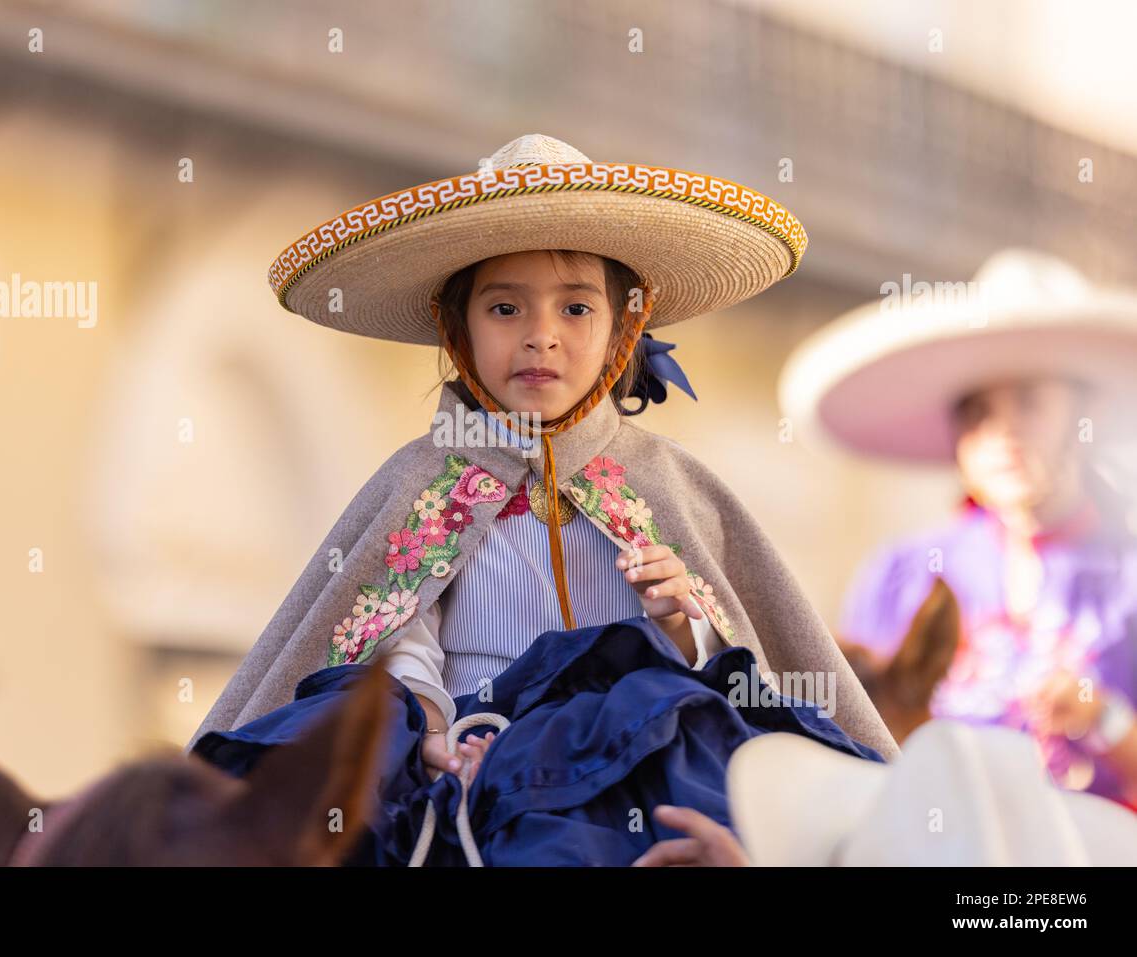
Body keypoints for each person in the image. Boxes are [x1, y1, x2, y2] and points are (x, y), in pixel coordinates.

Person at [187, 133, 897, 866]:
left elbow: (740, 659)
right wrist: (432, 730)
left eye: (577, 310)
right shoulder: (418, 482)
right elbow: (399, 636)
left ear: (625, 326)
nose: (541, 338)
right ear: (457, 328)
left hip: (623, 767)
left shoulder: (673, 486)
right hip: (463, 757)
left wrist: (686, 625)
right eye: (504, 309)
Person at [779, 249, 1137, 809]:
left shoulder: (1127, 574)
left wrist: (1103, 717)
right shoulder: (903, 572)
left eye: (1029, 403)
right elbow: (851, 736)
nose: (1003, 434)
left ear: (1084, 417)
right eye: (978, 413)